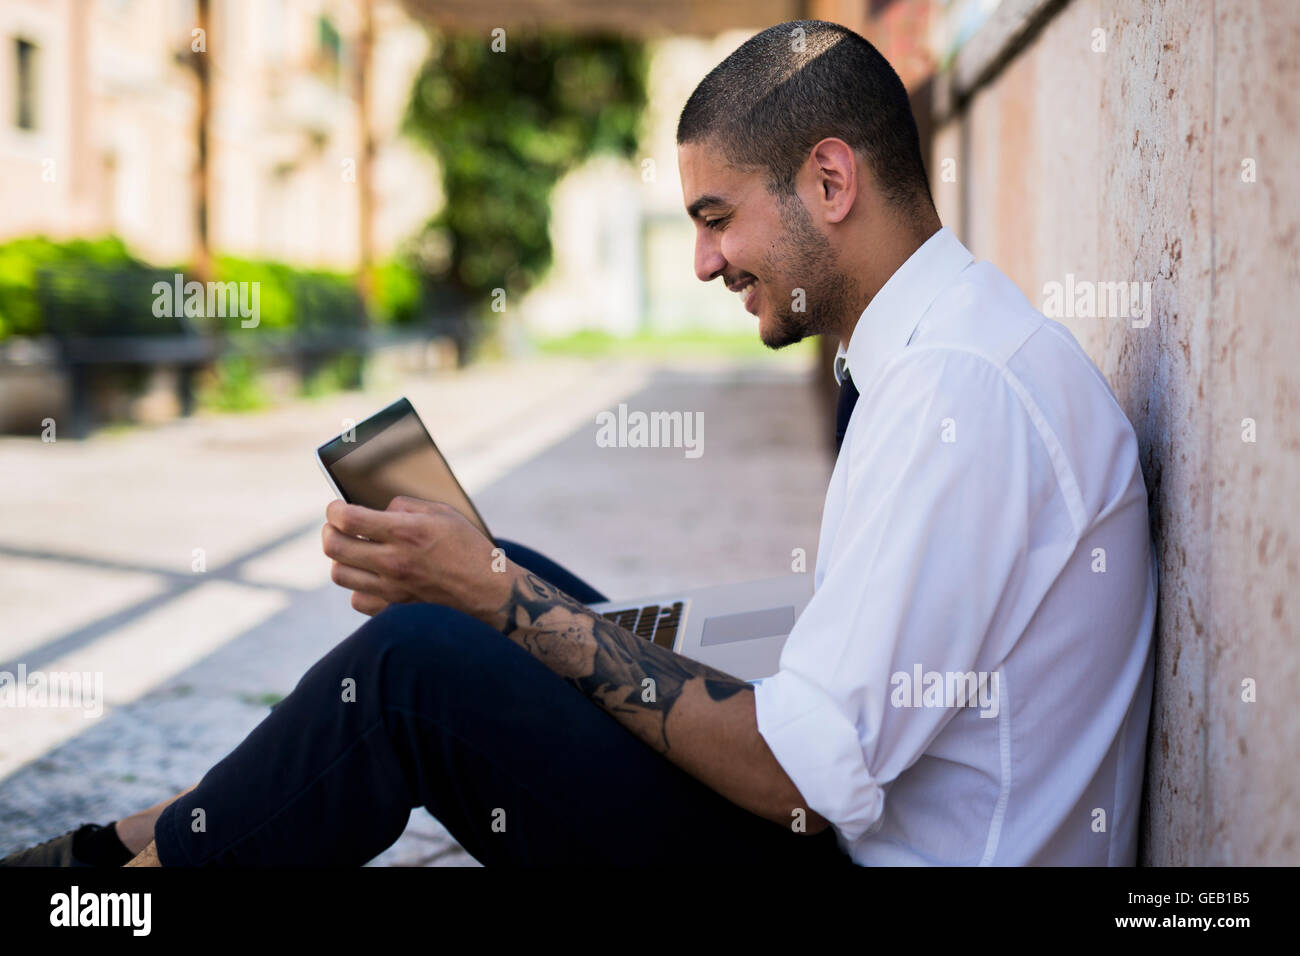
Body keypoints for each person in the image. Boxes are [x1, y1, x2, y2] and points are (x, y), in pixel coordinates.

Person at [4, 19, 1155, 868]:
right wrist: (501, 587)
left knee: (418, 659)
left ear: (831, 179)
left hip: (851, 852)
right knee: (483, 590)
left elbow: (801, 775)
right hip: (853, 826)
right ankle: (135, 844)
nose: (705, 262)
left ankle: (110, 888)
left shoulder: (958, 399)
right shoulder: (944, 354)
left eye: (717, 217)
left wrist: (499, 595)